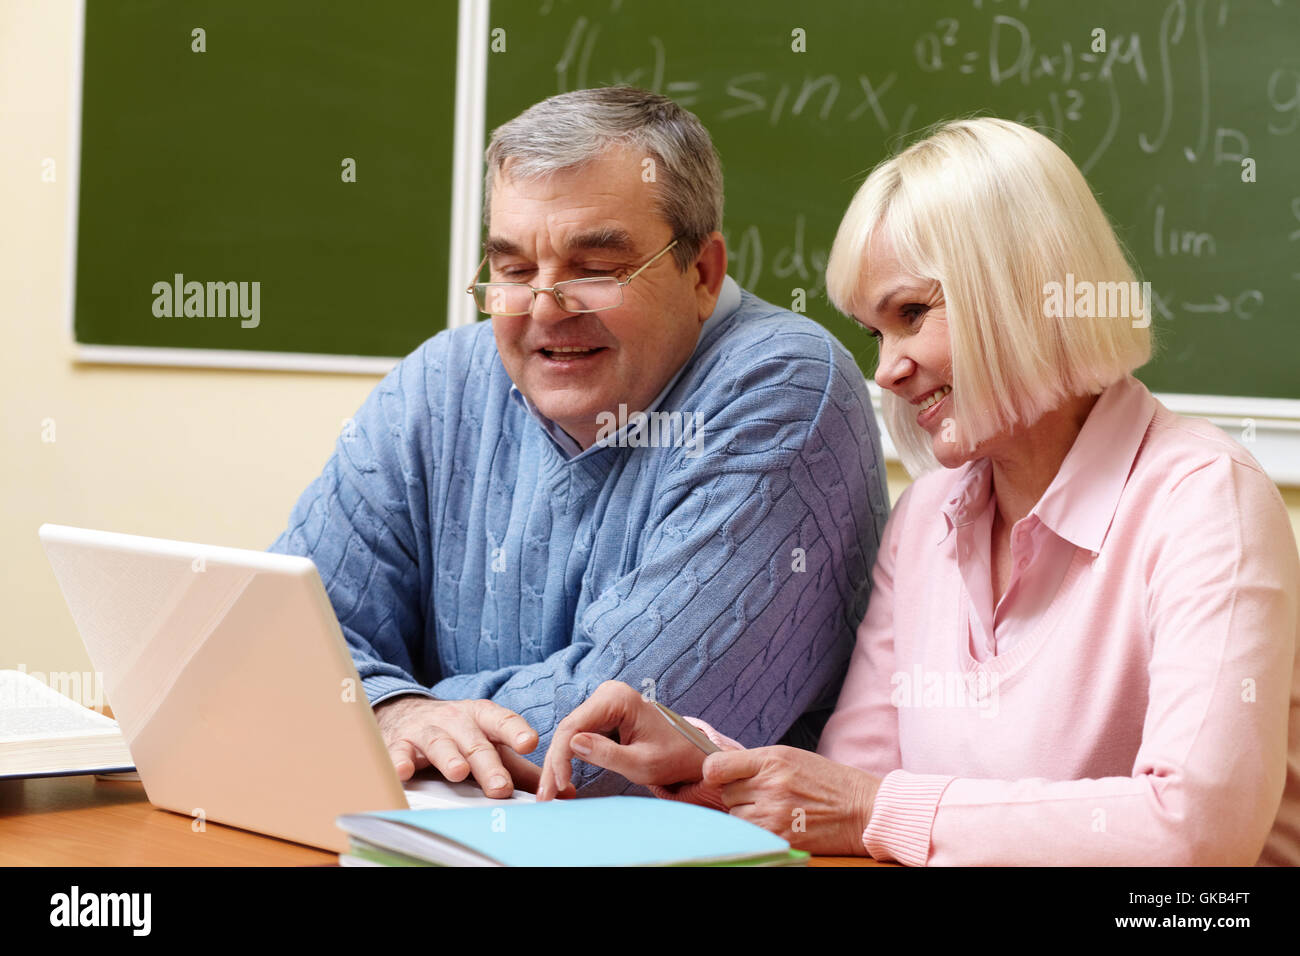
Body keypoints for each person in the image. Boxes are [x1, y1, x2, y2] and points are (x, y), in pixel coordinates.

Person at [538, 117, 1300, 865]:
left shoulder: (1205, 500)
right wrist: (703, 762)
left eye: (912, 314)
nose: (887, 372)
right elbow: (852, 796)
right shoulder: (928, 517)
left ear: (1027, 292)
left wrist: (870, 808)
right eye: (876, 333)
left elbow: (1197, 831)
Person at [267, 87, 889, 799]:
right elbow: (277, 645)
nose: (544, 308)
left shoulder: (785, 390)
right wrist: (393, 709)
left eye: (594, 268)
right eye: (514, 270)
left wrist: (412, 706)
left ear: (702, 273)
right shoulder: (440, 385)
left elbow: (611, 749)